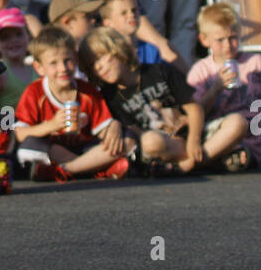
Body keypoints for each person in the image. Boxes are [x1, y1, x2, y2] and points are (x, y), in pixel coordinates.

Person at [14, 26, 130, 181]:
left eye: (67, 60)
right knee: (29, 147)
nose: (62, 68)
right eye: (53, 63)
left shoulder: (87, 92)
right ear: (39, 68)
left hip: (84, 149)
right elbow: (20, 134)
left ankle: (67, 170)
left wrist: (113, 127)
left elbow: (103, 130)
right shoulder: (34, 92)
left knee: (125, 140)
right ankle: (92, 169)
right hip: (53, 149)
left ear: (75, 59)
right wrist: (52, 125)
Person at [81, 26, 204, 173]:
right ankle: (198, 162)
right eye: (92, 65)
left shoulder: (159, 71)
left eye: (100, 57)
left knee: (236, 122)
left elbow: (194, 108)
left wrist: (193, 141)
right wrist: (114, 125)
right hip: (157, 144)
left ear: (116, 48)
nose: (98, 67)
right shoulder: (109, 96)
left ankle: (186, 164)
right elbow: (134, 133)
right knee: (150, 141)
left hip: (190, 135)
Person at [185, 2, 261, 171]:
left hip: (249, 138)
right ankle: (198, 162)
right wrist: (215, 89)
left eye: (232, 38)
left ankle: (212, 160)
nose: (227, 45)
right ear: (204, 39)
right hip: (215, 134)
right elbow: (195, 113)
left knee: (242, 135)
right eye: (220, 40)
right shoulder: (201, 70)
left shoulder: (256, 63)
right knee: (236, 123)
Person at [0, 6, 35, 110]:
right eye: (5, 37)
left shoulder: (36, 70)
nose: (13, 40)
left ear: (28, 36)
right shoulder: (0, 75)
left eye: (18, 34)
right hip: (9, 125)